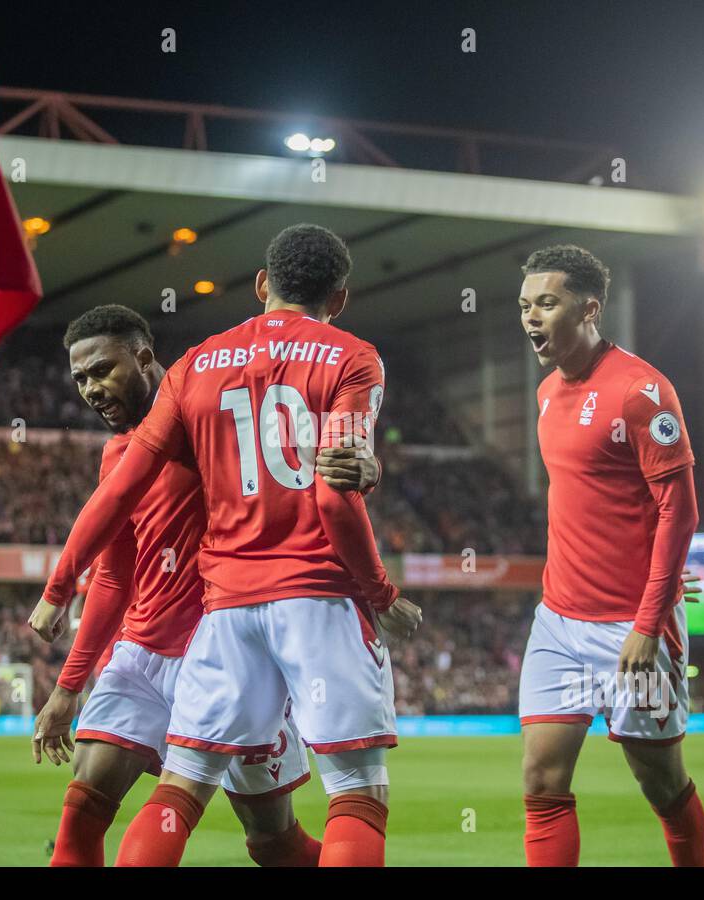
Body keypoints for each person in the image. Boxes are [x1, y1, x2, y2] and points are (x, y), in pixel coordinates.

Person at [30, 224, 421, 867]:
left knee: (222, 814)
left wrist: (53, 591)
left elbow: (121, 494)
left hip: (222, 621)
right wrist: (382, 590)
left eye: (102, 370)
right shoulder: (352, 357)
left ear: (262, 284)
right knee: (354, 794)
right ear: (341, 297)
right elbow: (331, 491)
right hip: (302, 601)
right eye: (82, 377)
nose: (92, 388)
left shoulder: (195, 373)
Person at [516, 244, 704, 866]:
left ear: (589, 306)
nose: (532, 317)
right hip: (558, 621)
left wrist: (652, 618)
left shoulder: (642, 391)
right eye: (525, 306)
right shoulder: (545, 391)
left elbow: (680, 511)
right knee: (542, 780)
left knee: (659, 779)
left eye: (547, 303)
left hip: (633, 628)